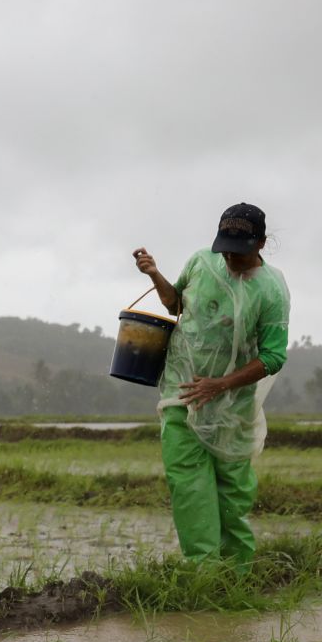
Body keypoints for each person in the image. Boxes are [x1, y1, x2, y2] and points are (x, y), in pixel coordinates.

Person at [131, 203, 290, 569]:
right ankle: (204, 572)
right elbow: (175, 305)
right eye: (226, 249)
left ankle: (237, 571)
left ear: (262, 244)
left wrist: (220, 385)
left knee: (232, 491)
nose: (231, 258)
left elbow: (273, 356)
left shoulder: (271, 291)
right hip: (182, 390)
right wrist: (155, 274)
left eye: (240, 251)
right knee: (188, 485)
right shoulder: (202, 262)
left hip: (231, 404)